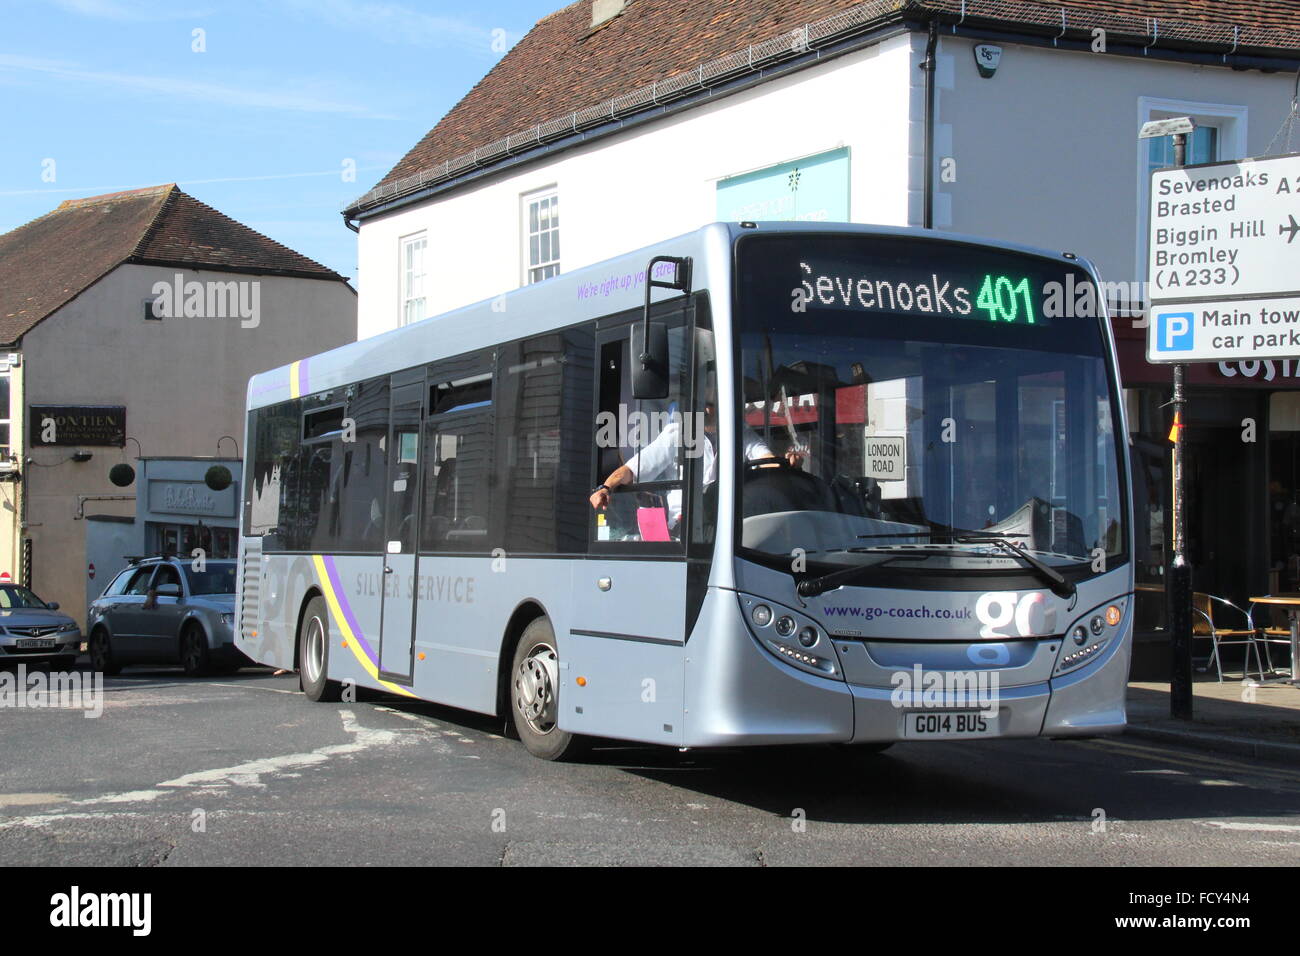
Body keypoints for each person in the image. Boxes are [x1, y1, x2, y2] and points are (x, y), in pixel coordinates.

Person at [588, 402, 804, 526]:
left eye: (715, 403)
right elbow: (632, 470)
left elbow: (765, 461)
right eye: (707, 403)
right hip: (686, 529)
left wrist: (787, 463)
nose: (710, 409)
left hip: (729, 523)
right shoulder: (677, 435)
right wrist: (606, 487)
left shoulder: (740, 434)